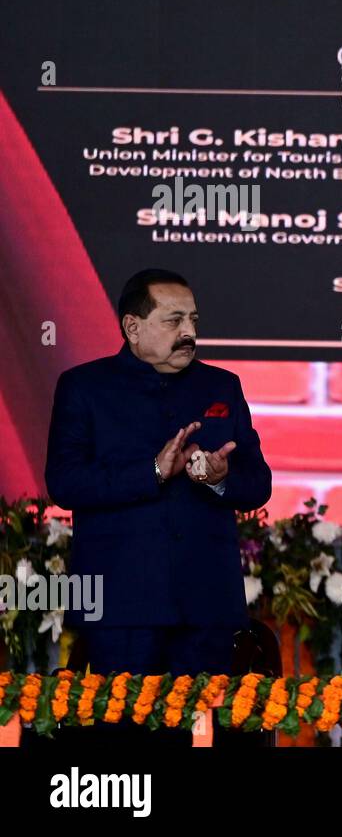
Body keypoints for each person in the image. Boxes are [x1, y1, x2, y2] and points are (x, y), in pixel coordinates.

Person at [45, 268, 272, 742]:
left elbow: (259, 484)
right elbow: (64, 482)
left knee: (206, 733)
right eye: (173, 321)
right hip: (121, 609)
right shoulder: (84, 387)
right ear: (133, 327)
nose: (188, 332)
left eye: (193, 319)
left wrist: (218, 480)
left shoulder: (222, 387)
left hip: (206, 607)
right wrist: (149, 473)